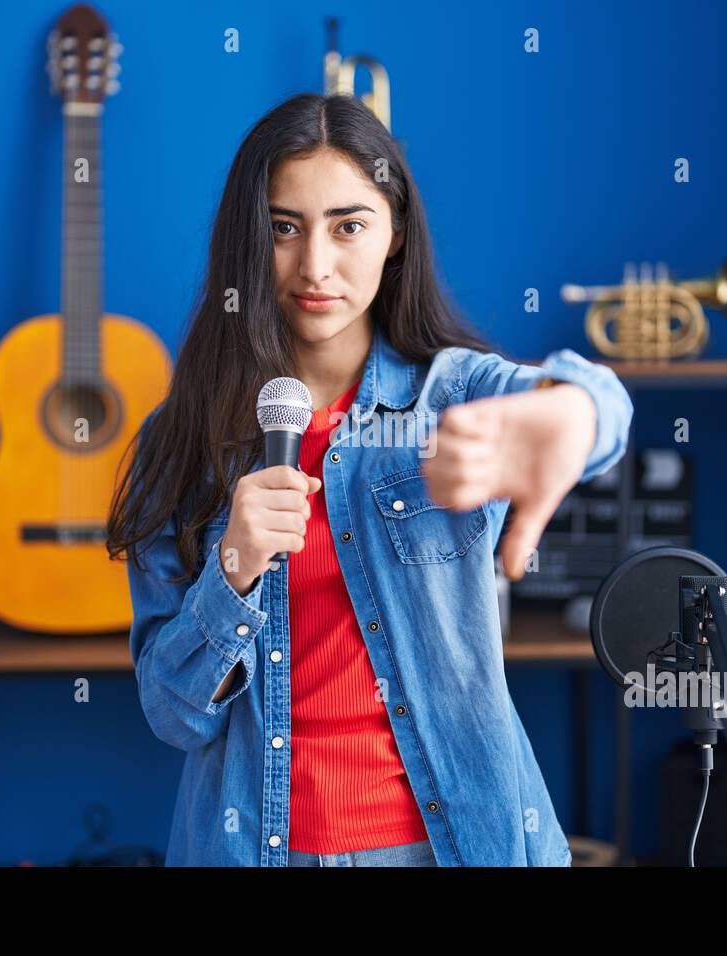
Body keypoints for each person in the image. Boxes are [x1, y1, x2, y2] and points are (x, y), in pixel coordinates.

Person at [106, 93, 633, 866]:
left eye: (348, 225)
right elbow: (174, 717)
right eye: (284, 228)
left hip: (450, 848)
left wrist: (575, 416)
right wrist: (234, 569)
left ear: (394, 236)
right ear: (248, 244)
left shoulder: (451, 396)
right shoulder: (182, 442)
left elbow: (599, 406)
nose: (315, 264)